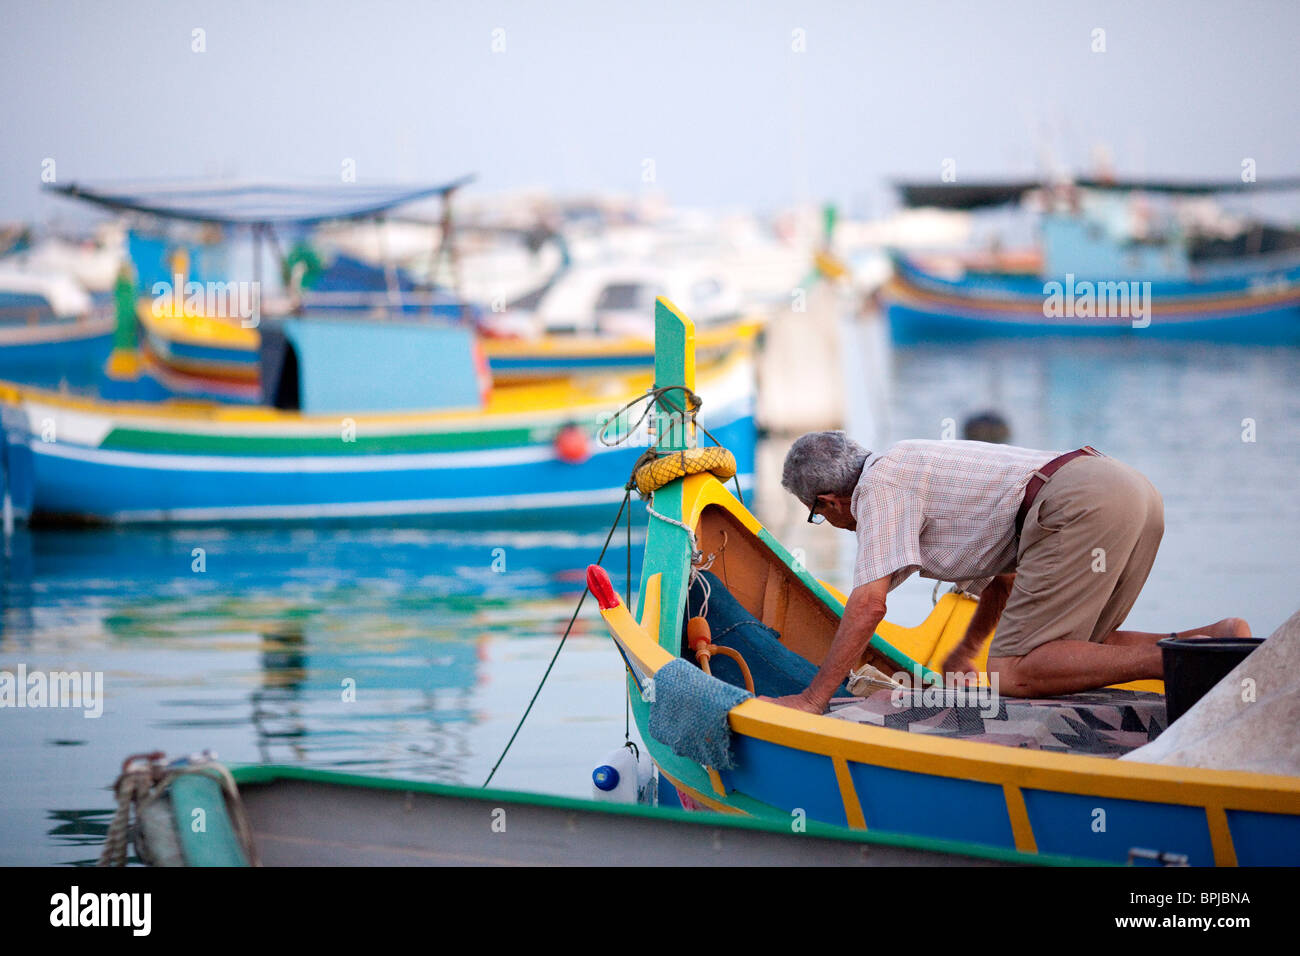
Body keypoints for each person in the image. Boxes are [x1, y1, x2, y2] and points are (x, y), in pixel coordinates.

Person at [765, 431, 1250, 713]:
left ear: (828, 501)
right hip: (1129, 492)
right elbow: (1007, 579)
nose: (828, 522)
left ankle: (1184, 664)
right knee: (1076, 653)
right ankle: (1216, 639)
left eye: (818, 515)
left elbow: (869, 603)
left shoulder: (880, 486)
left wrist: (813, 698)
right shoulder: (909, 464)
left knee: (1010, 672)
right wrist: (966, 651)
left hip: (1081, 502)